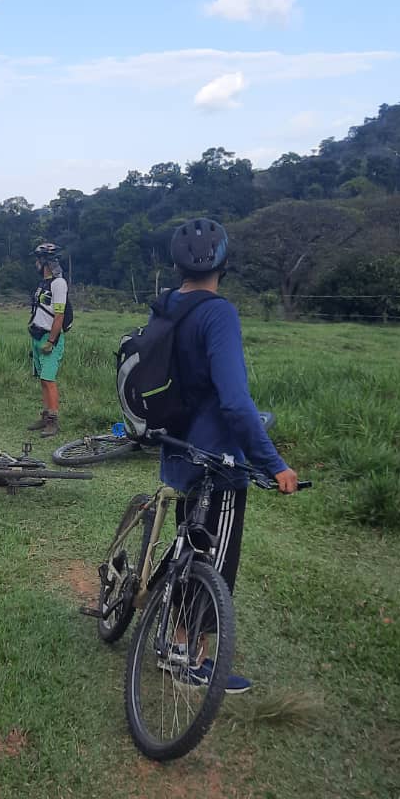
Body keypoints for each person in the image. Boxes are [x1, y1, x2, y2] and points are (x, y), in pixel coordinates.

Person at [161, 217, 298, 694]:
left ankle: (173, 638)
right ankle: (190, 656)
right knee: (214, 560)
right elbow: (236, 402)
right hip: (218, 462)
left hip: (177, 447)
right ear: (224, 263)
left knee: (188, 544)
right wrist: (274, 463)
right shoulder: (218, 314)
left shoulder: (170, 305)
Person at [27, 242, 68, 438]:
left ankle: (53, 421)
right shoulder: (42, 284)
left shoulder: (59, 284)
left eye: (38, 260)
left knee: (49, 379)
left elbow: (59, 315)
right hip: (36, 335)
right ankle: (45, 416)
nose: (35, 264)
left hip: (49, 337)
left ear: (45, 262)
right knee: (42, 379)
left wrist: (52, 341)